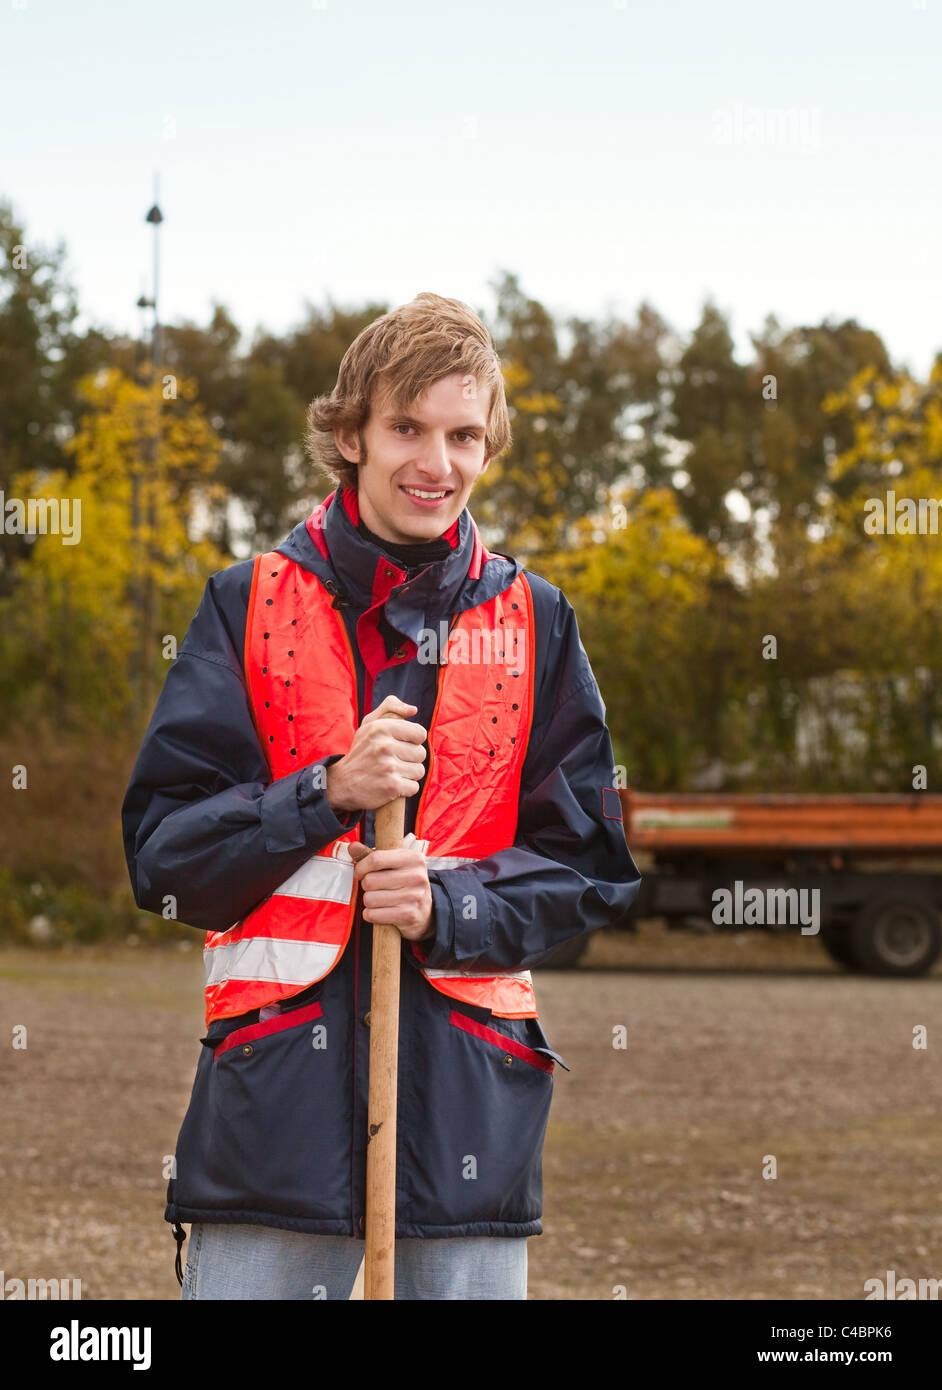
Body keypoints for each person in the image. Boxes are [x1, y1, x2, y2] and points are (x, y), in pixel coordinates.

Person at [121, 291, 642, 1301]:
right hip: (273, 1127)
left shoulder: (539, 619)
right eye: (406, 427)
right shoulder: (248, 602)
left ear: (488, 444)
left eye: (461, 435)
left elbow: (590, 867)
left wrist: (453, 906)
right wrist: (322, 795)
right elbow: (165, 860)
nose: (434, 463)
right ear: (351, 432)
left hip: (468, 1126)